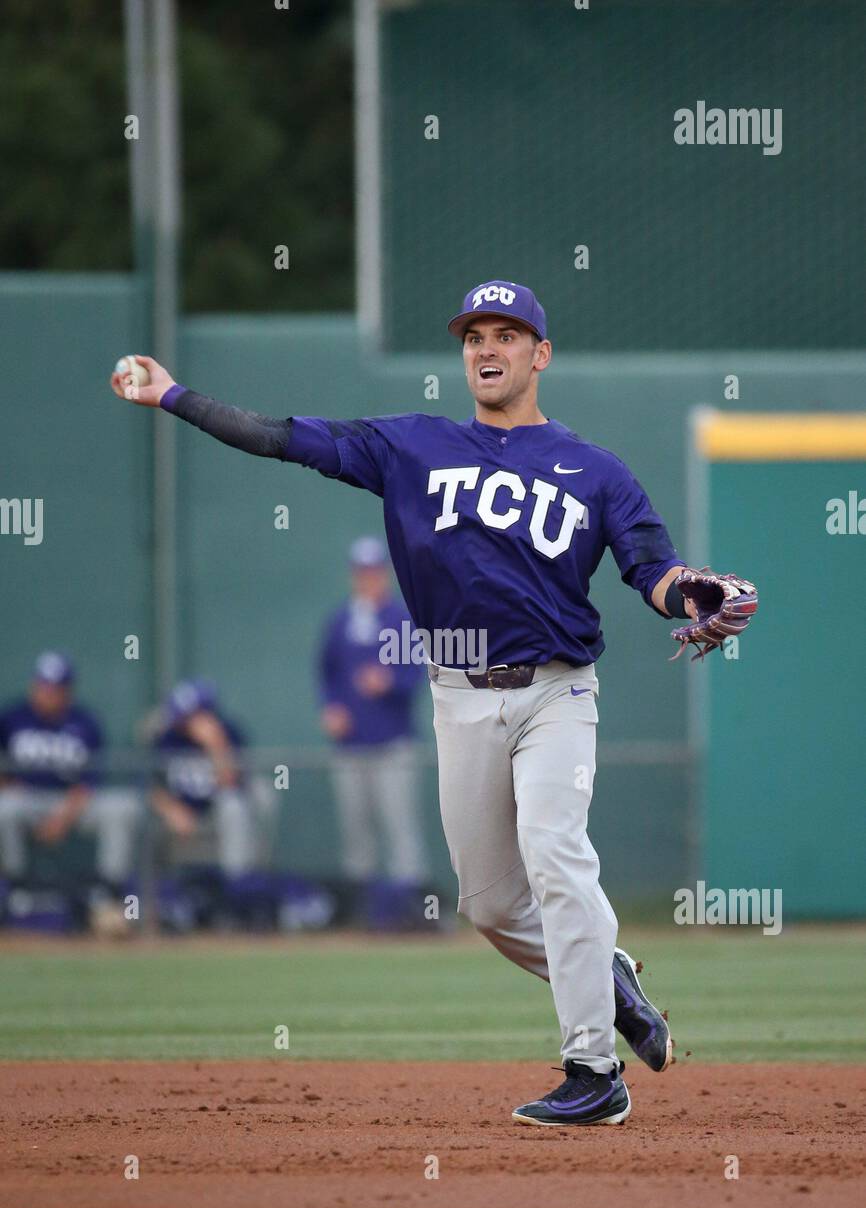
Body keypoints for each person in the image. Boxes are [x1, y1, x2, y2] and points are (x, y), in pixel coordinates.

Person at [111, 278, 756, 1126]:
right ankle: (608, 977)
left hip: (558, 692)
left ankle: (593, 1072)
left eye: (507, 334)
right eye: (474, 336)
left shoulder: (596, 472)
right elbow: (278, 439)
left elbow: (654, 572)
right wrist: (174, 396)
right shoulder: (410, 446)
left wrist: (692, 591)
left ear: (540, 354)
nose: (486, 349)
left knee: (556, 854)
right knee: (488, 906)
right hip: (459, 696)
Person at [318, 536, 427, 923]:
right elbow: (326, 672)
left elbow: (419, 676)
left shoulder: (400, 618)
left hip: (392, 742)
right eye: (361, 572)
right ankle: (360, 912)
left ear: (386, 574)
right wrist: (330, 707)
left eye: (374, 572)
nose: (368, 579)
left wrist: (390, 682)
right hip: (350, 745)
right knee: (355, 830)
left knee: (399, 826)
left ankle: (408, 910)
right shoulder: (341, 620)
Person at [0, 652, 139, 893]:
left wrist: (61, 820)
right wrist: (8, 785)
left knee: (123, 807)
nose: (48, 694)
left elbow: (90, 780)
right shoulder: (12, 718)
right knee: (5, 808)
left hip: (72, 802)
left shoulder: (86, 722)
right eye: (43, 686)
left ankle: (110, 891)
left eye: (55, 688)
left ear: (68, 691)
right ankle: (14, 886)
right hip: (27, 800)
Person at [151, 679, 257, 879]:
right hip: (180, 813)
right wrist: (170, 809)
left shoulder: (230, 733)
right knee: (138, 815)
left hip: (215, 813)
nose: (185, 724)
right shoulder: (167, 738)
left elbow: (230, 783)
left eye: (191, 717)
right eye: (182, 718)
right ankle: (142, 891)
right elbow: (149, 784)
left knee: (233, 806)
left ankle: (237, 883)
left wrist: (215, 744)